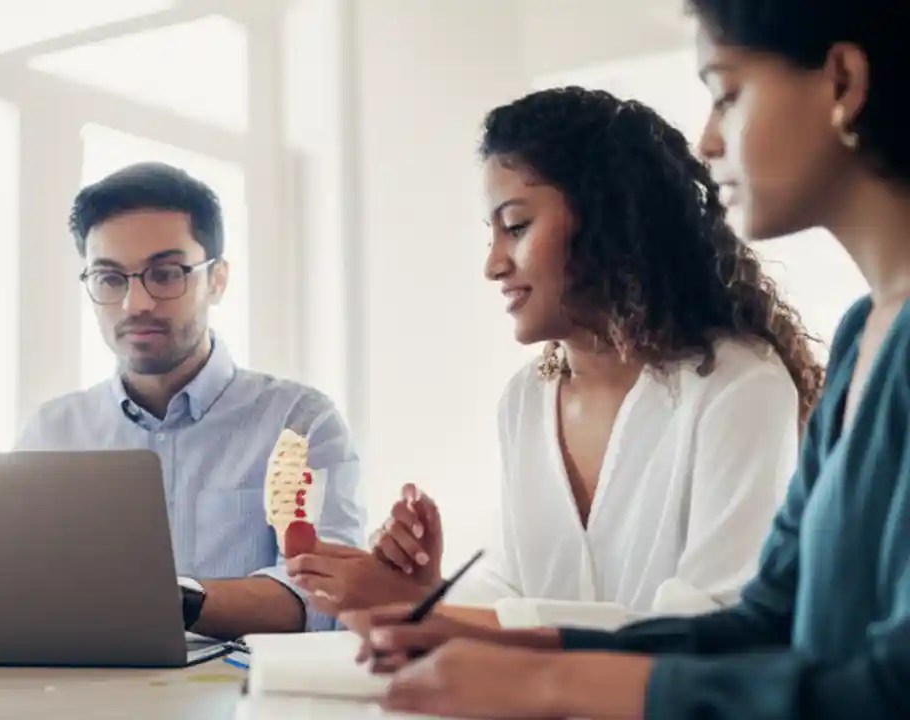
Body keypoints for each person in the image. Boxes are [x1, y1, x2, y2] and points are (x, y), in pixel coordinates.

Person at [344, 1, 910, 717]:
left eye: (727, 92)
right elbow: (765, 621)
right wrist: (471, 635)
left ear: (842, 81)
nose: (707, 140)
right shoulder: (867, 333)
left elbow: (891, 685)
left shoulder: (754, 377)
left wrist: (549, 684)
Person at [286, 86, 823, 630]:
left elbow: (709, 629)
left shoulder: (738, 387)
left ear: (608, 221)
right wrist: (424, 593)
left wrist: (433, 616)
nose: (494, 264)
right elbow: (517, 589)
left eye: (516, 226)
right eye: (492, 234)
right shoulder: (526, 400)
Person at [16, 162, 366, 640]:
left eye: (165, 274)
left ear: (217, 279)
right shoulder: (51, 433)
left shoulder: (299, 421)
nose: (135, 304)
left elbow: (326, 597)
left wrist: (164, 598)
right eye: (110, 278)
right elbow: (17, 587)